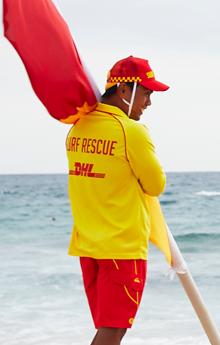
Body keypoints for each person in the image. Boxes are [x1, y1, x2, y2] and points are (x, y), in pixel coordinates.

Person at [65, 56, 169, 345]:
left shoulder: (78, 128)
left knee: (106, 326)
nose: (148, 102)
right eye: (146, 93)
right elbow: (155, 185)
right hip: (121, 246)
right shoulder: (131, 131)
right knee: (114, 330)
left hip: (88, 245)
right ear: (124, 91)